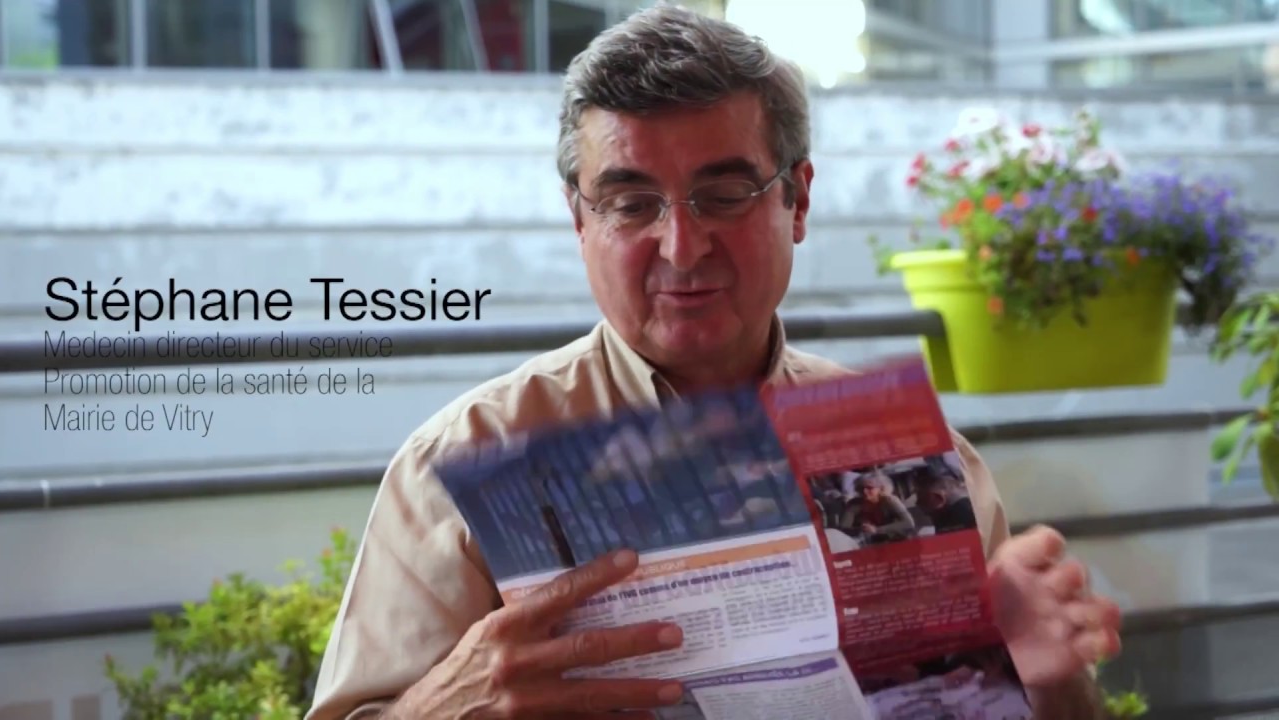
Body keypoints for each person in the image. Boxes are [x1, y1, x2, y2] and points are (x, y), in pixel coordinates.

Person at [305, 6, 1122, 719]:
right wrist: (451, 706)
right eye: (631, 204)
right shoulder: (460, 461)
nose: (682, 247)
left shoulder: (909, 454)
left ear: (797, 200)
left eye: (723, 195)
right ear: (578, 220)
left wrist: (1053, 683)